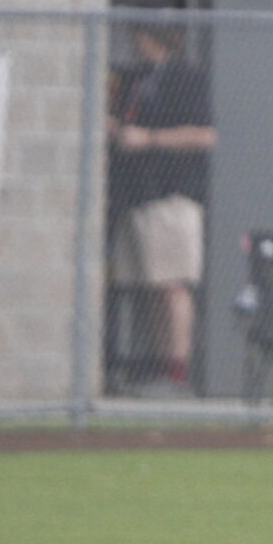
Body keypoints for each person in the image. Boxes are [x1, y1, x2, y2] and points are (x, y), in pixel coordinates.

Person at [107, 24, 216, 393]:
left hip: (173, 194)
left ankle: (177, 368)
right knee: (150, 283)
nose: (134, 41)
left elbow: (204, 135)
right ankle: (155, 362)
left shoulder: (185, 76)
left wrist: (150, 139)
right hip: (138, 194)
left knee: (172, 283)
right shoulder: (138, 77)